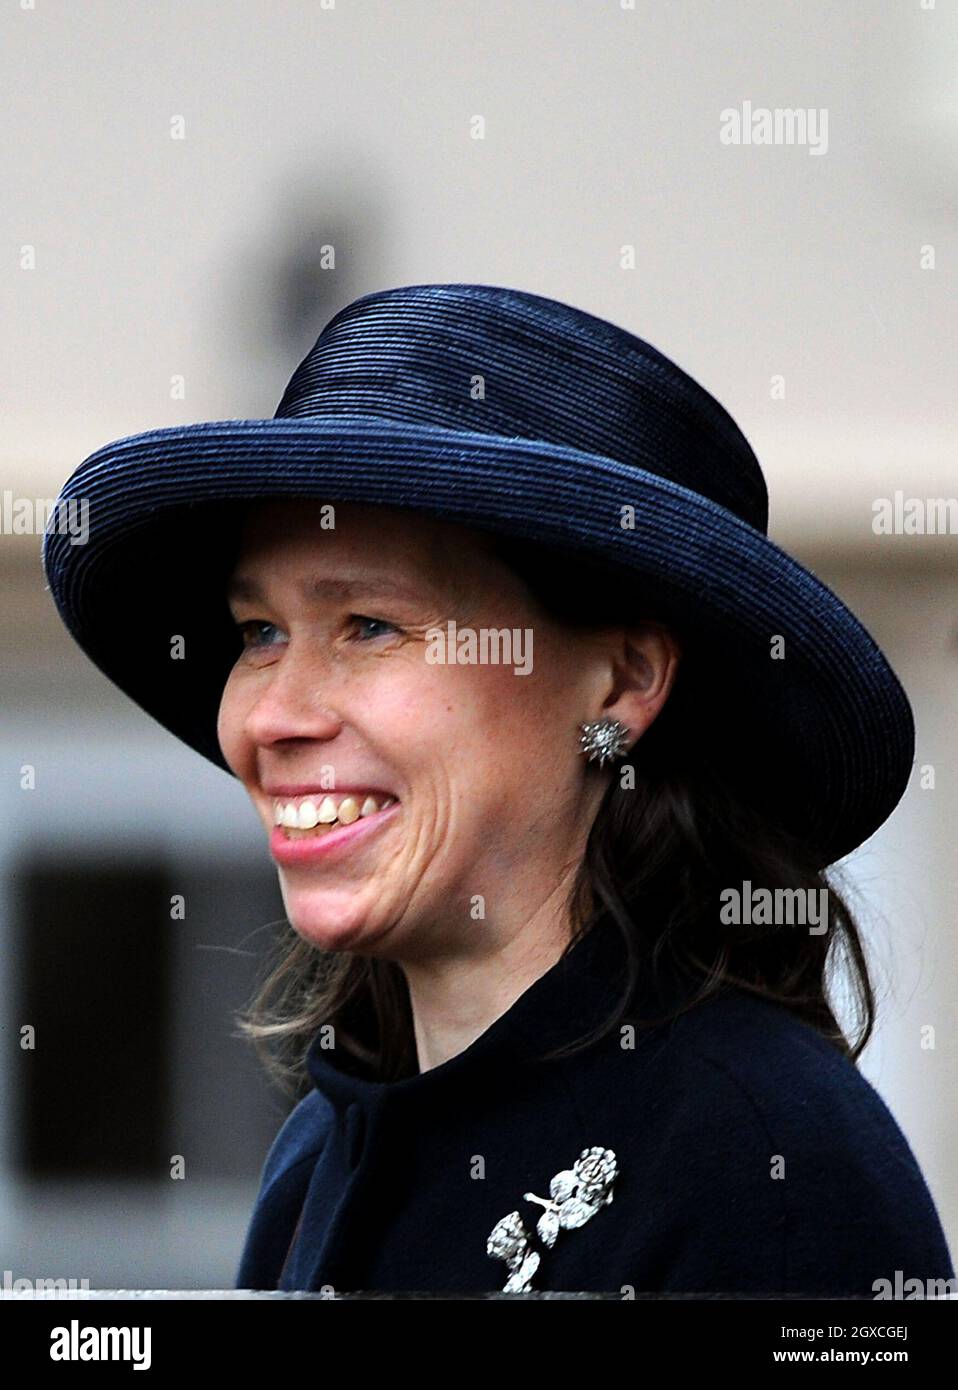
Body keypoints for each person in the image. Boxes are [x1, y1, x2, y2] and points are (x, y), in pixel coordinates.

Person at [41, 282, 955, 1297]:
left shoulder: (760, 1158)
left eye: (368, 626)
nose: (272, 716)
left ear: (619, 682)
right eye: (259, 634)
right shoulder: (321, 1157)